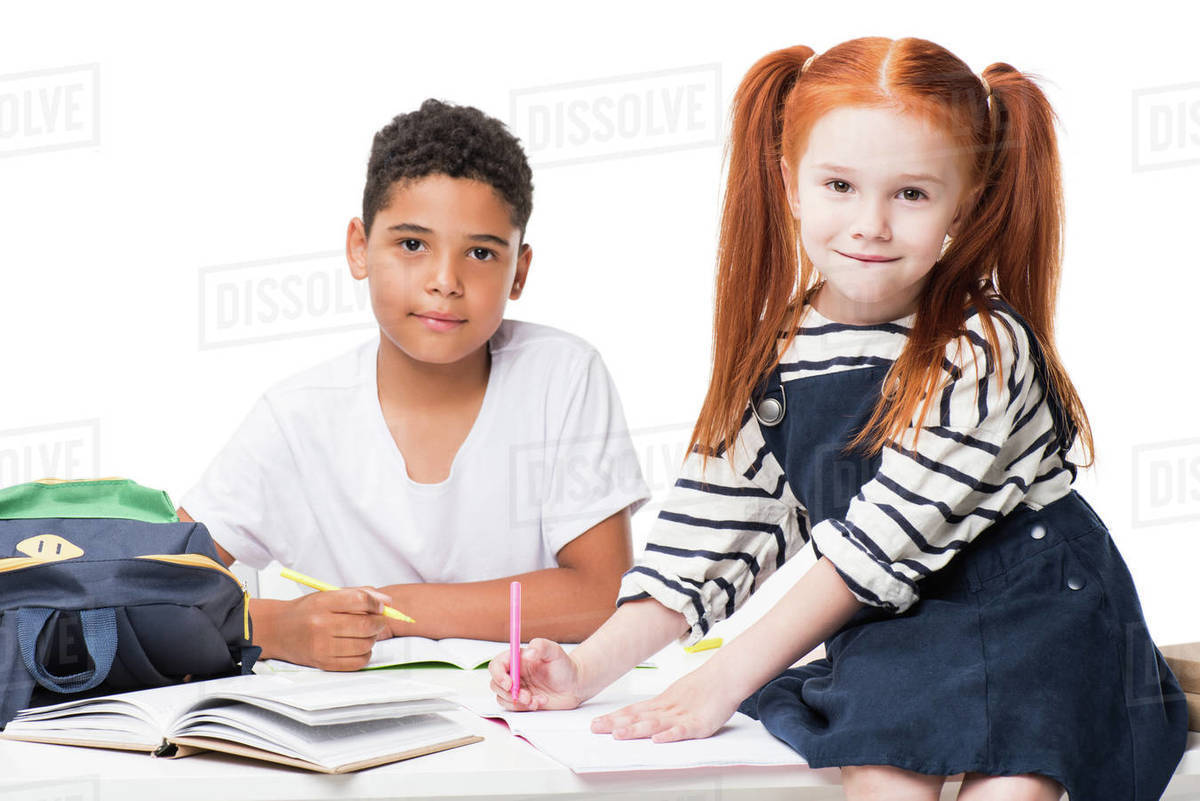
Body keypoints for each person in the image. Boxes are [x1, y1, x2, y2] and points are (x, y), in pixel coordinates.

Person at [488, 37, 1188, 801]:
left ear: (970, 197)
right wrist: (588, 664)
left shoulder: (982, 346)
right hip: (906, 628)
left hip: (1042, 613)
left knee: (1014, 779)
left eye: (912, 194)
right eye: (840, 185)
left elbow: (880, 544)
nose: (871, 224)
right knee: (881, 770)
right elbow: (709, 535)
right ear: (791, 184)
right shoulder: (780, 356)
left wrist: (720, 679)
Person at [179, 99, 650, 671]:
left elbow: (600, 597)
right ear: (360, 248)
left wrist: (390, 610)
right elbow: (153, 588)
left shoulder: (563, 377)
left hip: (521, 726)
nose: (445, 282)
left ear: (519, 271)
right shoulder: (297, 418)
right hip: (347, 731)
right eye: (412, 245)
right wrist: (275, 627)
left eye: (480, 253)